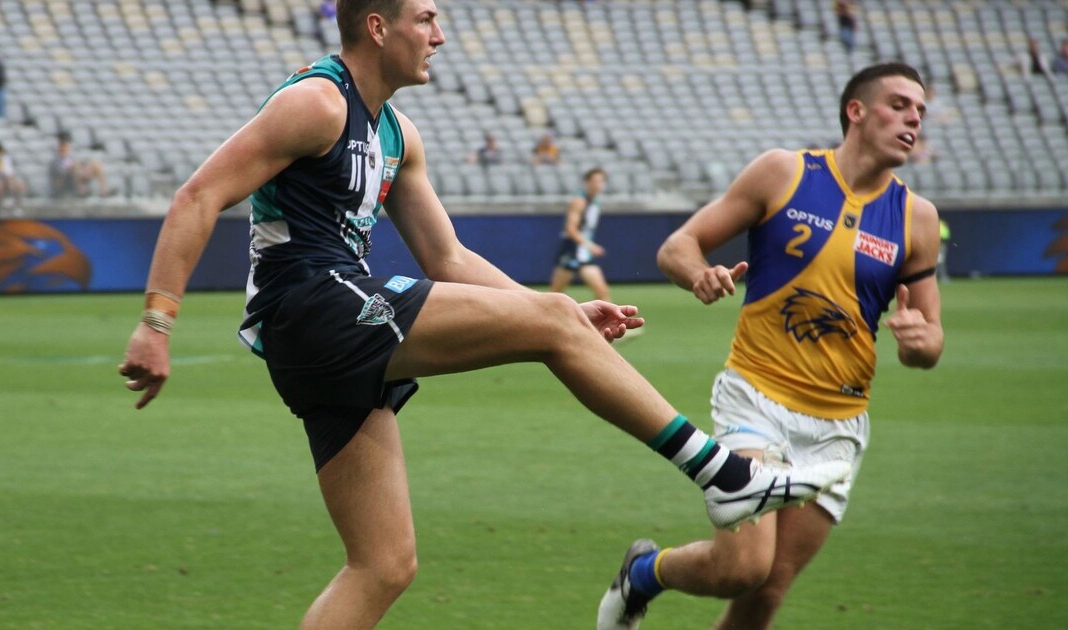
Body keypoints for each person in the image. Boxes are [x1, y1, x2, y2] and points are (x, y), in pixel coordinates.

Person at [117, 2, 849, 628]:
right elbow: (196, 196)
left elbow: (449, 258)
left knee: (384, 565)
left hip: (329, 329)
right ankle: (722, 475)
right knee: (553, 327)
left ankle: (715, 472)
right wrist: (157, 325)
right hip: (308, 304)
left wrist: (549, 310)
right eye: (427, 17)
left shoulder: (399, 134)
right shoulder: (318, 103)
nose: (441, 33)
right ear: (378, 27)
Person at [597, 62, 944, 630]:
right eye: (900, 105)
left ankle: (643, 575)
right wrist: (698, 275)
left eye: (921, 112)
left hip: (837, 427)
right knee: (742, 569)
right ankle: (645, 573)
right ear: (856, 111)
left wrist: (920, 340)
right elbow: (677, 247)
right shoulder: (783, 172)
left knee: (766, 592)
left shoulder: (918, 219)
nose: (914, 119)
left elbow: (929, 342)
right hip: (756, 399)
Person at [549, 167, 611, 301]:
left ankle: (605, 321)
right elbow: (570, 229)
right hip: (571, 250)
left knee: (603, 294)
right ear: (587, 182)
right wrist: (590, 246)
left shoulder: (596, 202)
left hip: (584, 254)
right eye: (595, 181)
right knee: (554, 296)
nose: (598, 185)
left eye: (601, 181)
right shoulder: (579, 202)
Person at [49, 132, 112, 198]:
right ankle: (81, 190)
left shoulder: (70, 159)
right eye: (63, 147)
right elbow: (59, 175)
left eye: (66, 147)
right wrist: (72, 168)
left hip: (75, 177)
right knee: (76, 166)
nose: (65, 149)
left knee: (96, 164)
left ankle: (104, 190)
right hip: (63, 183)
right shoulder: (55, 162)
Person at [938, 218, 951, 283]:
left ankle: (942, 277)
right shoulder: (939, 223)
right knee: (939, 262)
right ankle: (942, 277)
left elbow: (946, 235)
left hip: (941, 244)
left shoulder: (941, 223)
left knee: (940, 262)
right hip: (938, 244)